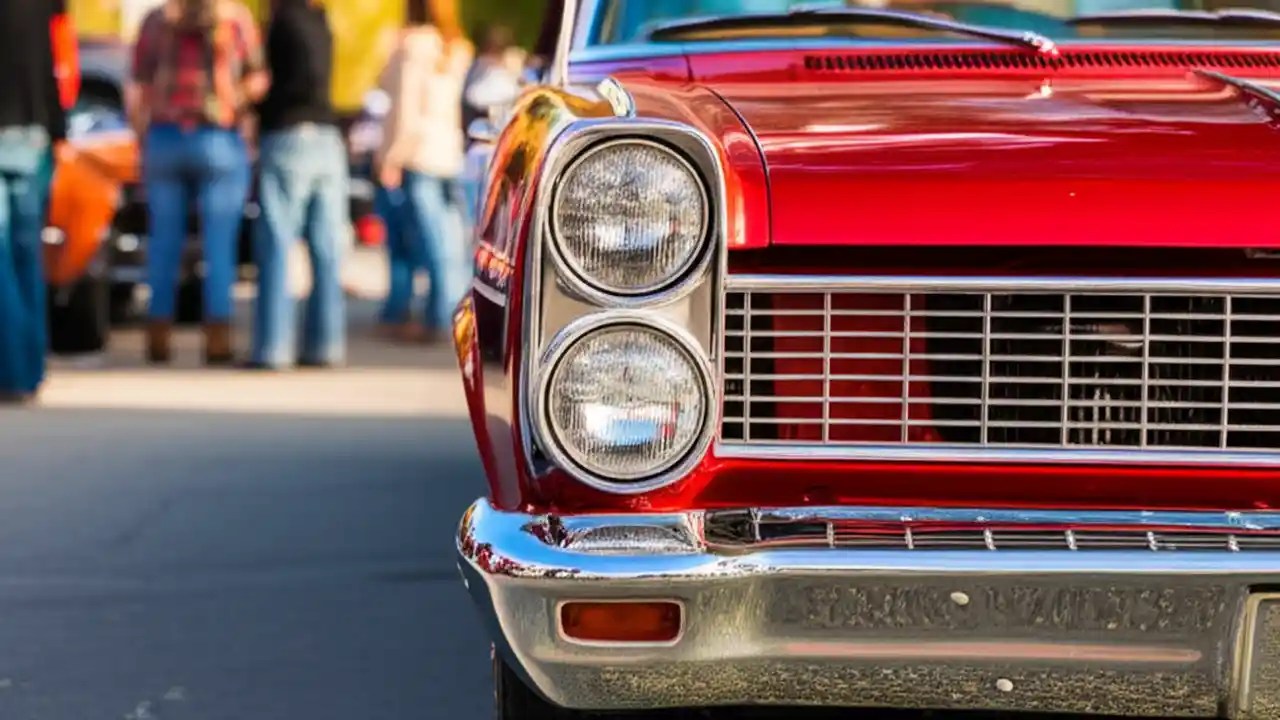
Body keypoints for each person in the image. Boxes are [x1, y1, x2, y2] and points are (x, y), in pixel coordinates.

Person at [128, 0, 268, 365]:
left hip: (164, 138)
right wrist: (235, 100)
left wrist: (141, 137)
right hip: (218, 138)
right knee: (219, 244)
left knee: (163, 242)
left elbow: (138, 88)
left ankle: (158, 336)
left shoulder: (156, 20)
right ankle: (217, 337)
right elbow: (258, 79)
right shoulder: (234, 20)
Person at [248, 0, 348, 369]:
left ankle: (272, 348)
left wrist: (257, 107)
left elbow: (285, 86)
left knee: (276, 243)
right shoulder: (321, 21)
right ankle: (326, 345)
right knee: (326, 247)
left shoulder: (282, 21)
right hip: (327, 137)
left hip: (288, 134)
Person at [375, 0, 473, 344]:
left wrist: (390, 157)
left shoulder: (413, 45)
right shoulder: (456, 47)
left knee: (415, 242)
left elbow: (405, 108)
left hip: (416, 153)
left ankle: (437, 318)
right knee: (447, 243)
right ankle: (444, 315)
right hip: (447, 153)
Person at [0, 0, 69, 404]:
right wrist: (59, 129)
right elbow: (60, 61)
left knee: (3, 256)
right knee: (27, 255)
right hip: (33, 132)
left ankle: (12, 370)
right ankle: (30, 370)